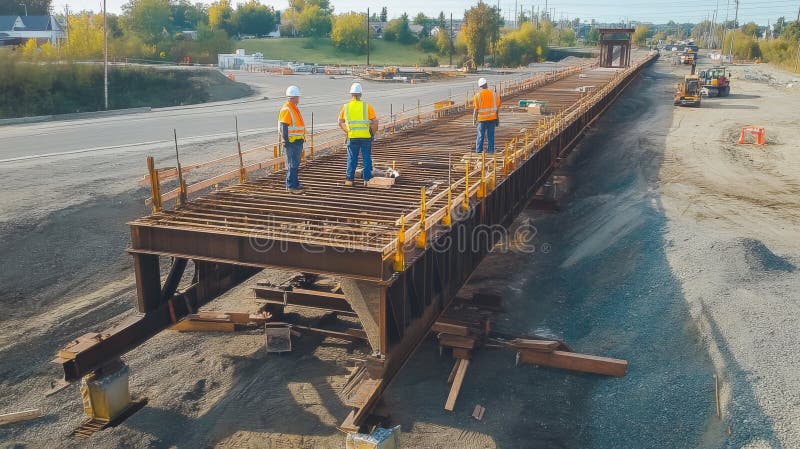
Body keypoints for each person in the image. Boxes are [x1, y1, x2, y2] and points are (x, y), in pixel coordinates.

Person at [339, 82, 378, 186]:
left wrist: (348, 131)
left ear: (351, 94)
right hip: (365, 137)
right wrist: (372, 134)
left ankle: (349, 180)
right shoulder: (367, 106)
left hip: (352, 137)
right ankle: (367, 180)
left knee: (352, 158)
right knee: (366, 158)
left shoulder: (346, 107)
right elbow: (375, 122)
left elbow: (340, 122)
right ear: (360, 94)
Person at [278, 85, 306, 193]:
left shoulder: (293, 108)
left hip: (297, 140)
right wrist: (285, 140)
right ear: (293, 97)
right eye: (297, 96)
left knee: (295, 163)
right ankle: (290, 185)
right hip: (292, 142)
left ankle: (295, 183)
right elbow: (283, 126)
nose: (298, 98)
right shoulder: (287, 109)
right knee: (292, 164)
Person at [472, 77, 501, 154]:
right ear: (487, 84)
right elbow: (497, 109)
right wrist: (497, 119)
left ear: (480, 86)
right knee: (490, 136)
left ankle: (479, 151)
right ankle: (491, 151)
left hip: (481, 120)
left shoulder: (477, 96)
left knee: (480, 136)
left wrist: (474, 120)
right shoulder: (495, 95)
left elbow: (476, 110)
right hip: (492, 119)